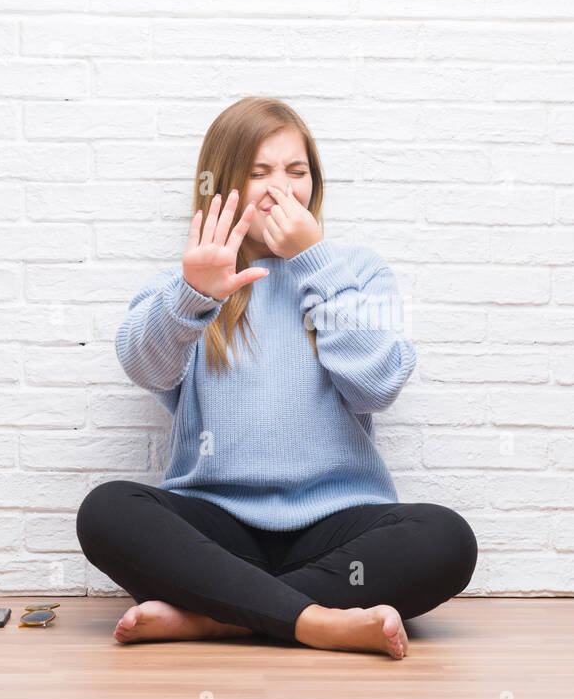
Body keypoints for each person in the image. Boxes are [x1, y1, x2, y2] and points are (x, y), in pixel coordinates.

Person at [76, 97, 477, 659]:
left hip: (336, 529)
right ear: (223, 183)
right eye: (258, 172)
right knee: (107, 510)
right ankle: (317, 620)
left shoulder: (355, 272)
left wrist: (313, 262)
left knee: (447, 539)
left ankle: (218, 620)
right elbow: (146, 368)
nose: (280, 188)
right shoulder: (189, 278)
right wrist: (194, 294)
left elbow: (380, 384)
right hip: (218, 530)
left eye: (296, 171)